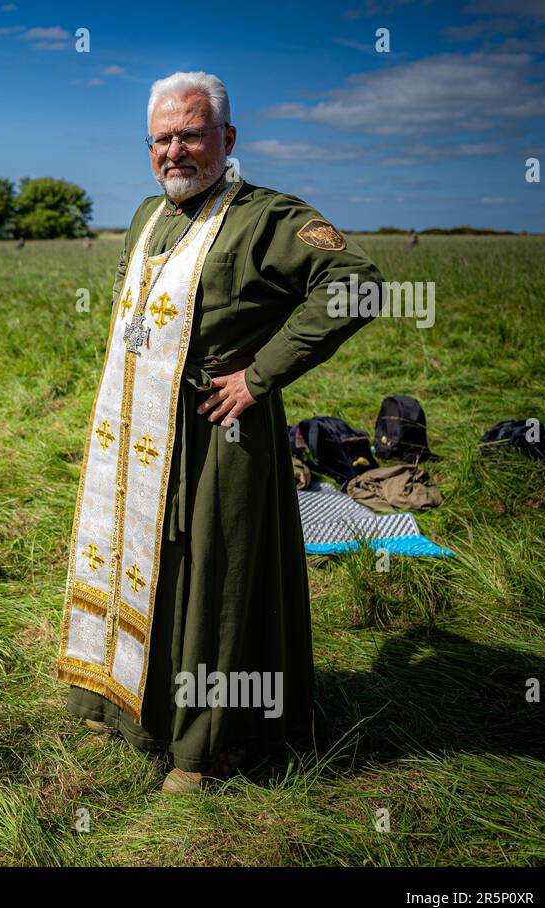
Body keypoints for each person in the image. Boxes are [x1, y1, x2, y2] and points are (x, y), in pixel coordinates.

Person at [55, 71, 386, 793]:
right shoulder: (150, 211)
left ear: (226, 140)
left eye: (191, 134)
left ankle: (210, 747)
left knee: (218, 577)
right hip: (139, 427)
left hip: (219, 430)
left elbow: (357, 282)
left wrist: (261, 375)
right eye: (163, 138)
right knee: (144, 563)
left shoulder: (267, 216)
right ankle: (124, 703)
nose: (176, 150)